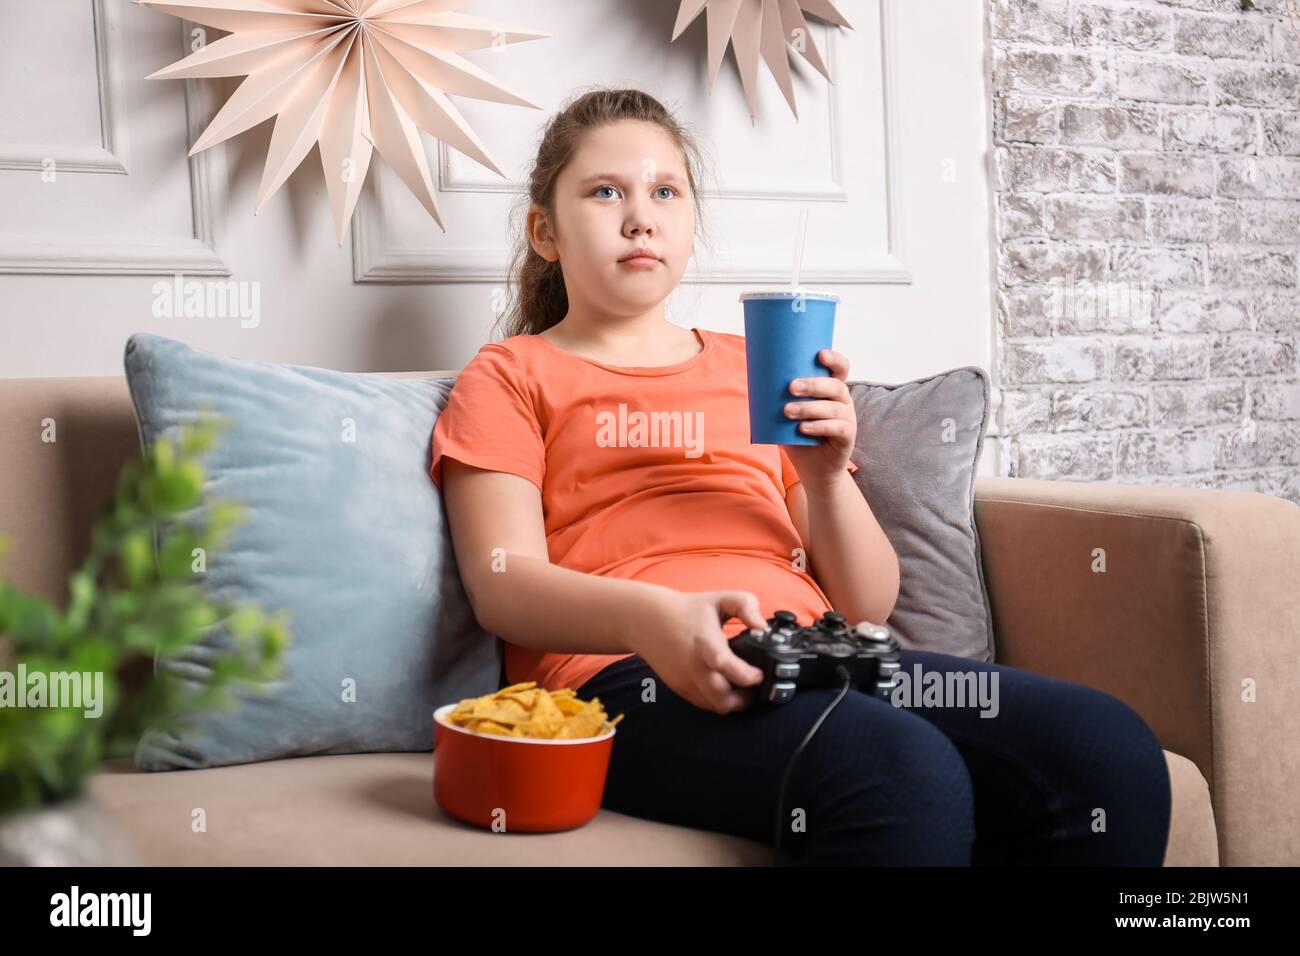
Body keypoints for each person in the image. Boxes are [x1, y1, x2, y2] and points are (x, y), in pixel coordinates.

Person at [429, 87, 1171, 866]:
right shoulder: (511, 375)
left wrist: (823, 478)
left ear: (688, 223)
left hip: (811, 655)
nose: (640, 215)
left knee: (1104, 749)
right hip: (630, 680)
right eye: (605, 191)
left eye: (666, 191)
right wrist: (649, 618)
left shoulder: (757, 366)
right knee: (902, 775)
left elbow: (867, 601)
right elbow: (503, 584)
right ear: (545, 231)